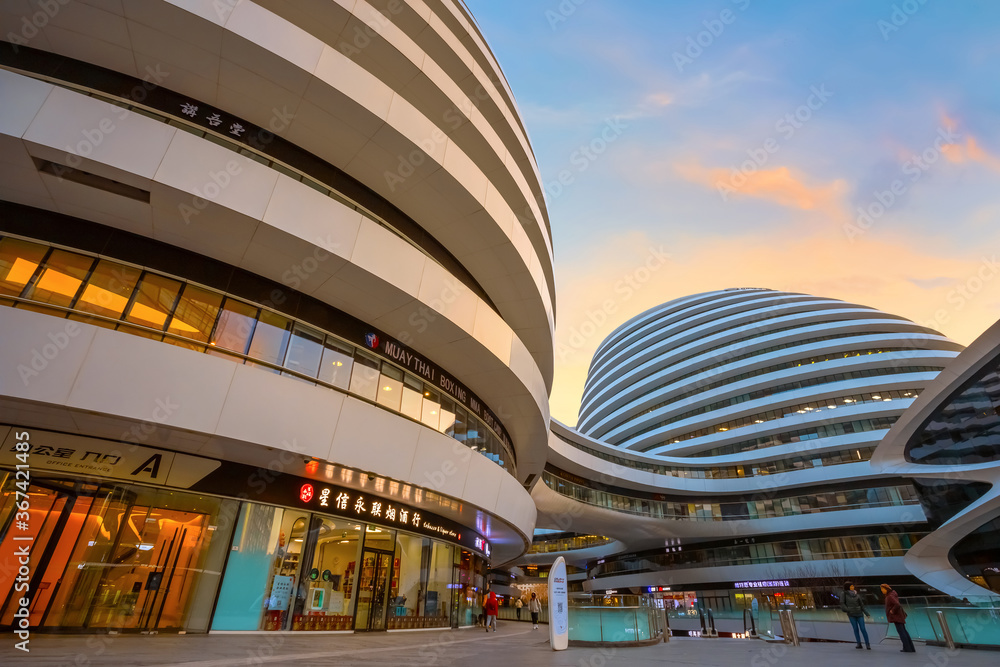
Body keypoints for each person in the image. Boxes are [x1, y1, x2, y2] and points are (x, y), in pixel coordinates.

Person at [882, 583, 916, 653]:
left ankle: (907, 648)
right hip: (899, 615)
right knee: (904, 631)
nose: (882, 591)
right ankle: (910, 648)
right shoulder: (892, 594)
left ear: (886, 589)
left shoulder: (890, 596)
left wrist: (892, 611)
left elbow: (897, 604)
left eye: (882, 589)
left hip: (896, 616)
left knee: (902, 632)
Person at [839, 581, 871, 650]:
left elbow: (862, 605)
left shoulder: (857, 595)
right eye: (851, 586)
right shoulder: (844, 594)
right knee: (855, 629)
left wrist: (866, 613)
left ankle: (867, 644)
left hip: (859, 614)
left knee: (863, 629)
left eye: (853, 586)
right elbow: (842, 603)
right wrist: (848, 610)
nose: (853, 587)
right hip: (851, 615)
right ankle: (859, 644)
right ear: (848, 587)